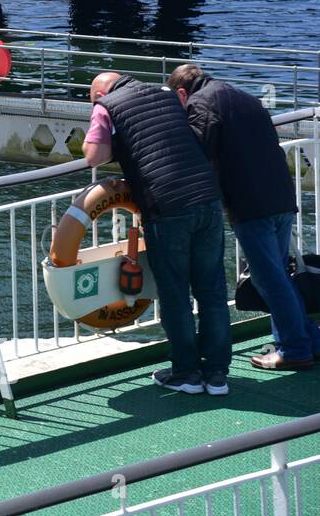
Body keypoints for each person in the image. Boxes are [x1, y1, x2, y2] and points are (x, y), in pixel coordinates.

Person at [84, 72, 230, 395]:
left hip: (167, 206)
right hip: (206, 198)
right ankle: (217, 374)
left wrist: (115, 146)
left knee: (175, 293)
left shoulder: (105, 105)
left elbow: (93, 155)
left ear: (98, 94)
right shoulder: (164, 92)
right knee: (212, 289)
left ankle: (187, 374)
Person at [167, 64, 320, 369]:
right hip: (280, 196)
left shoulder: (200, 103)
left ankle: (294, 349)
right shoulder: (245, 97)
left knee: (268, 279)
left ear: (182, 93)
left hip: (251, 204)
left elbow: (198, 152)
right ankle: (307, 340)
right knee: (278, 275)